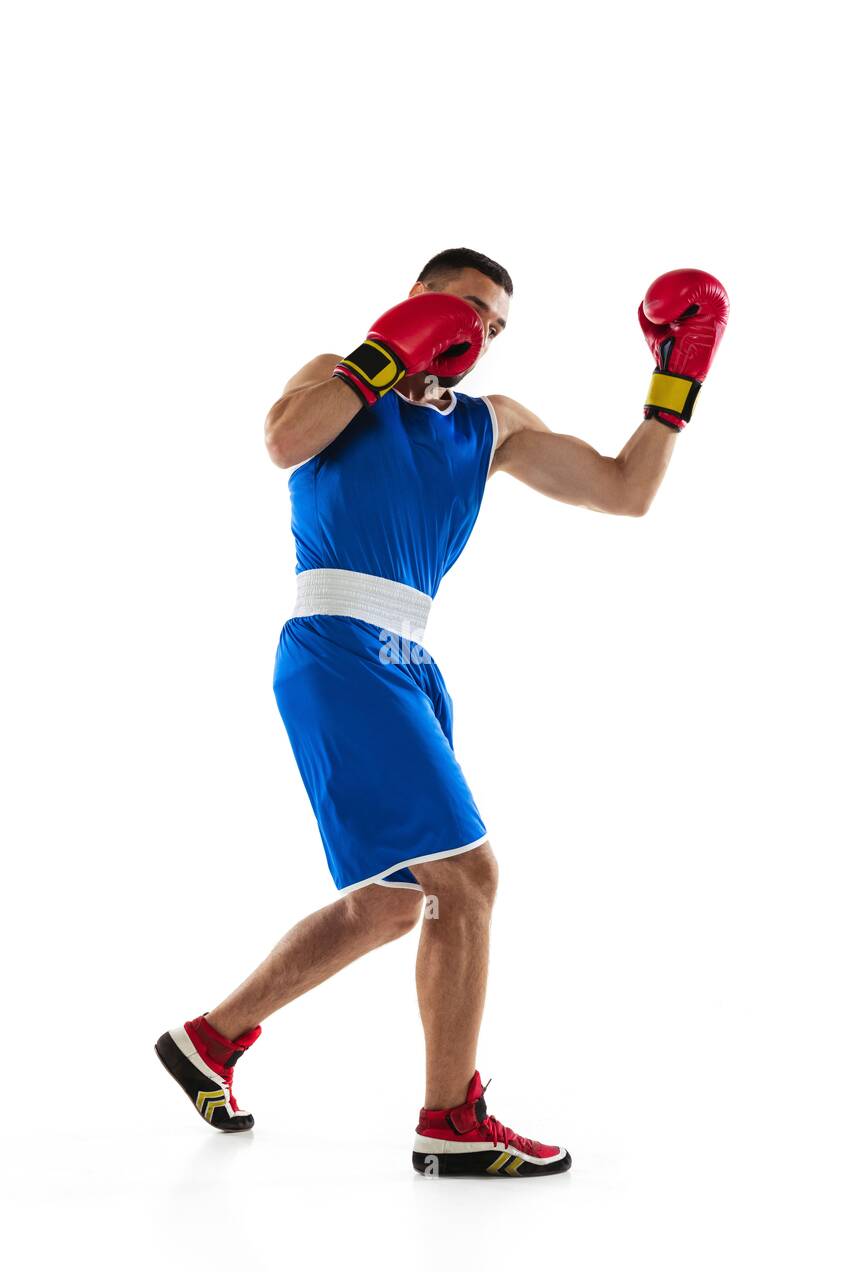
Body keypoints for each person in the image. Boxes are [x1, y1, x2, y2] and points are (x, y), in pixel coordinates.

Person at [155, 248, 728, 1177]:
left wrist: (677, 377)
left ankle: (207, 1042)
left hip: (410, 659)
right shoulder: (340, 380)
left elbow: (627, 492)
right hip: (335, 648)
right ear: (418, 299)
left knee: (392, 901)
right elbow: (284, 441)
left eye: (495, 325)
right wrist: (382, 353)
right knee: (468, 881)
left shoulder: (490, 425)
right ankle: (449, 1122)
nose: (479, 331)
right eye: (465, 308)